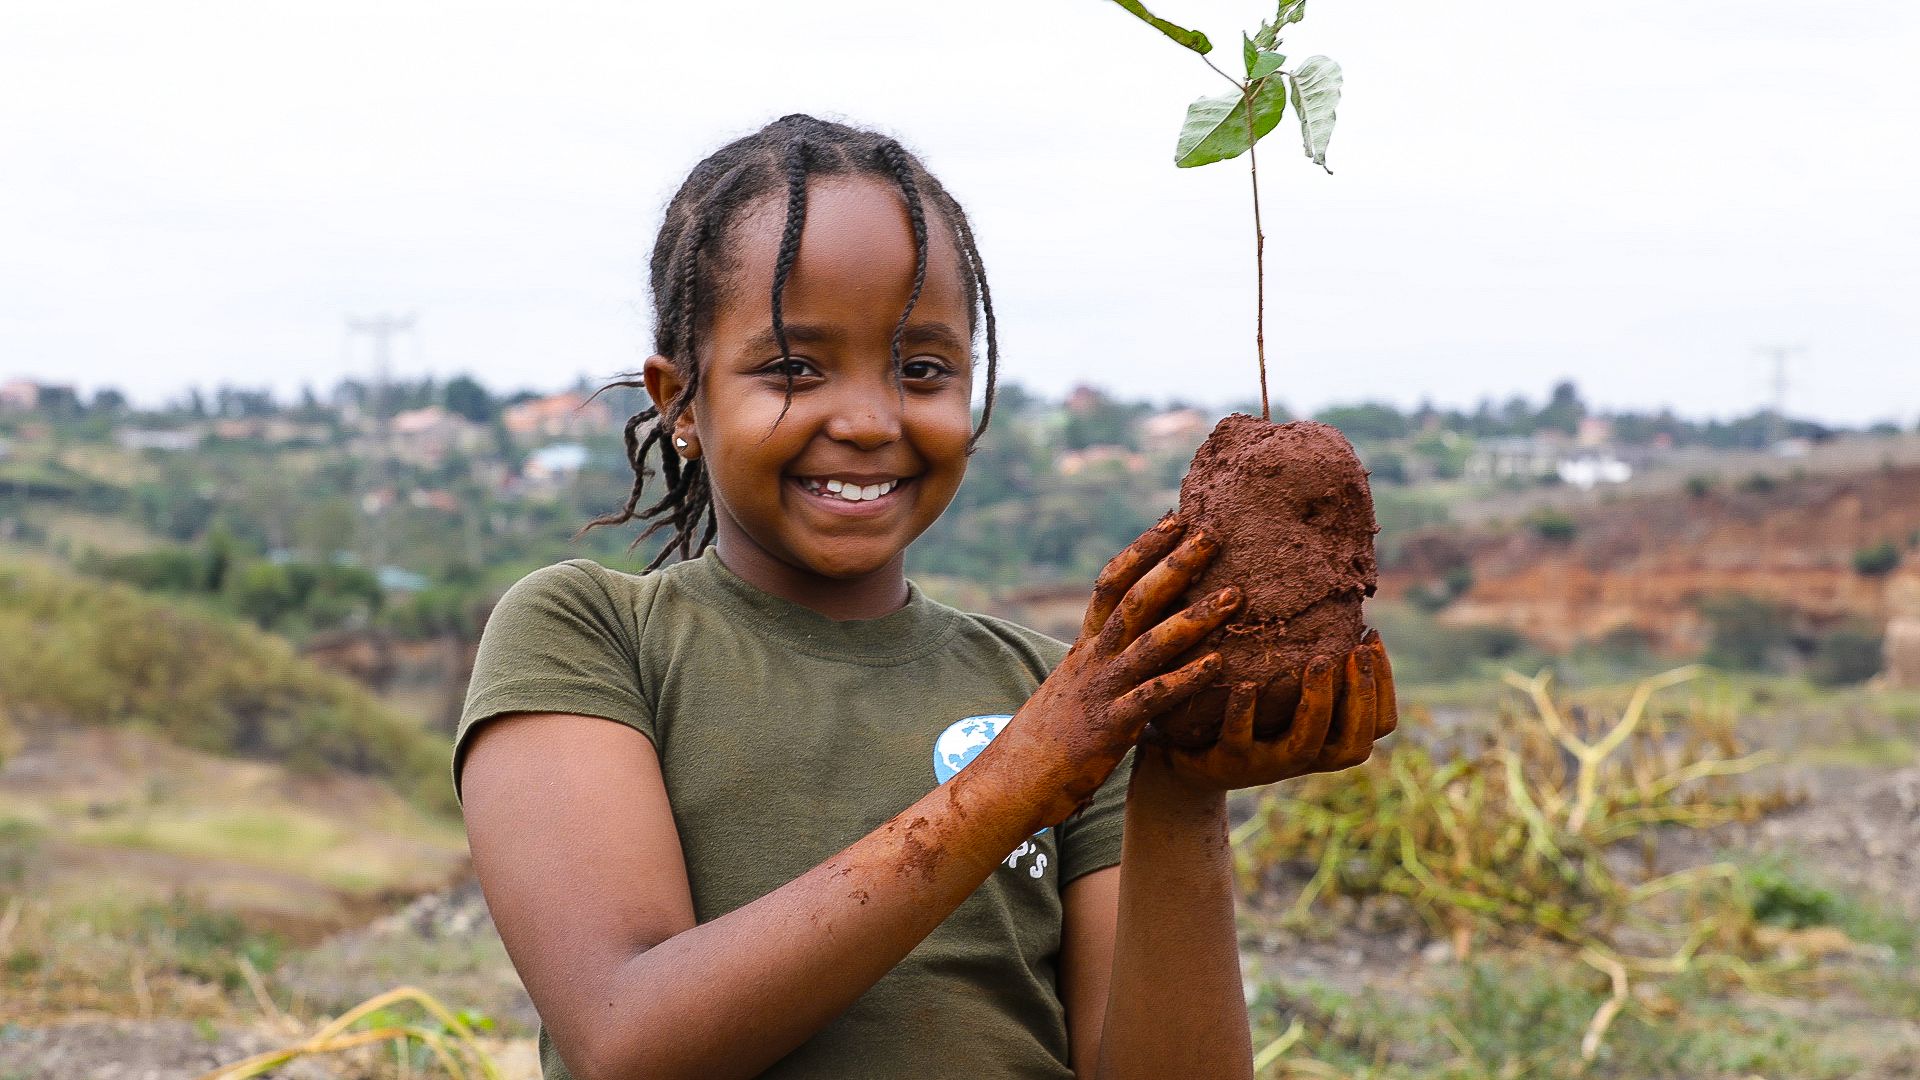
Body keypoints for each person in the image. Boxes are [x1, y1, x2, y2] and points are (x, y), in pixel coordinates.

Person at [456, 113, 1397, 1080]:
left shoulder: (1057, 690)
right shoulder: (589, 633)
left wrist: (1186, 792)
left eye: (923, 369)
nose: (868, 421)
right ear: (680, 402)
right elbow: (626, 1038)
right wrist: (1019, 776)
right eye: (793, 367)